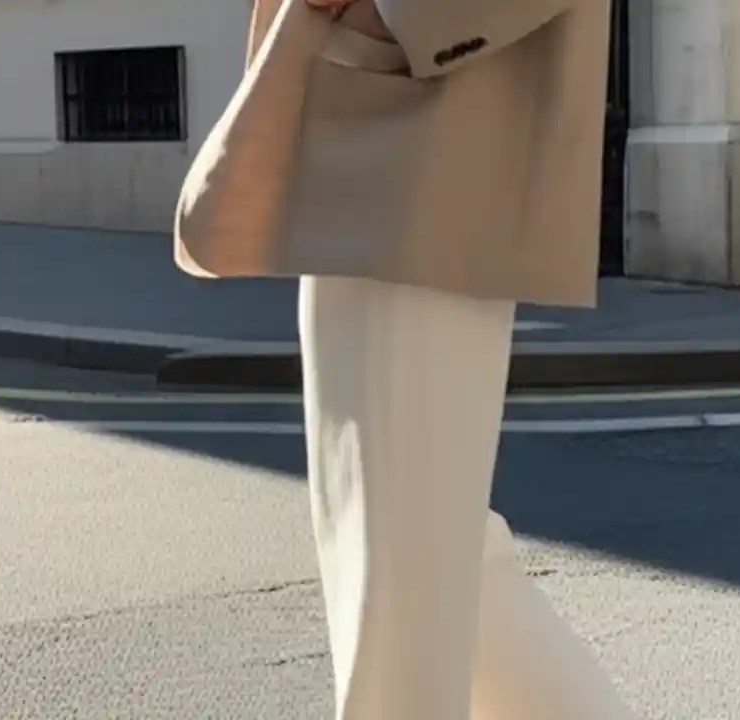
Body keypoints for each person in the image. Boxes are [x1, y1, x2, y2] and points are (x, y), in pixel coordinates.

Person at [174, 0, 635, 717]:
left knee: (398, 584)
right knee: (434, 561)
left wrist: (389, 17)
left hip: (433, 146)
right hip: (371, 135)